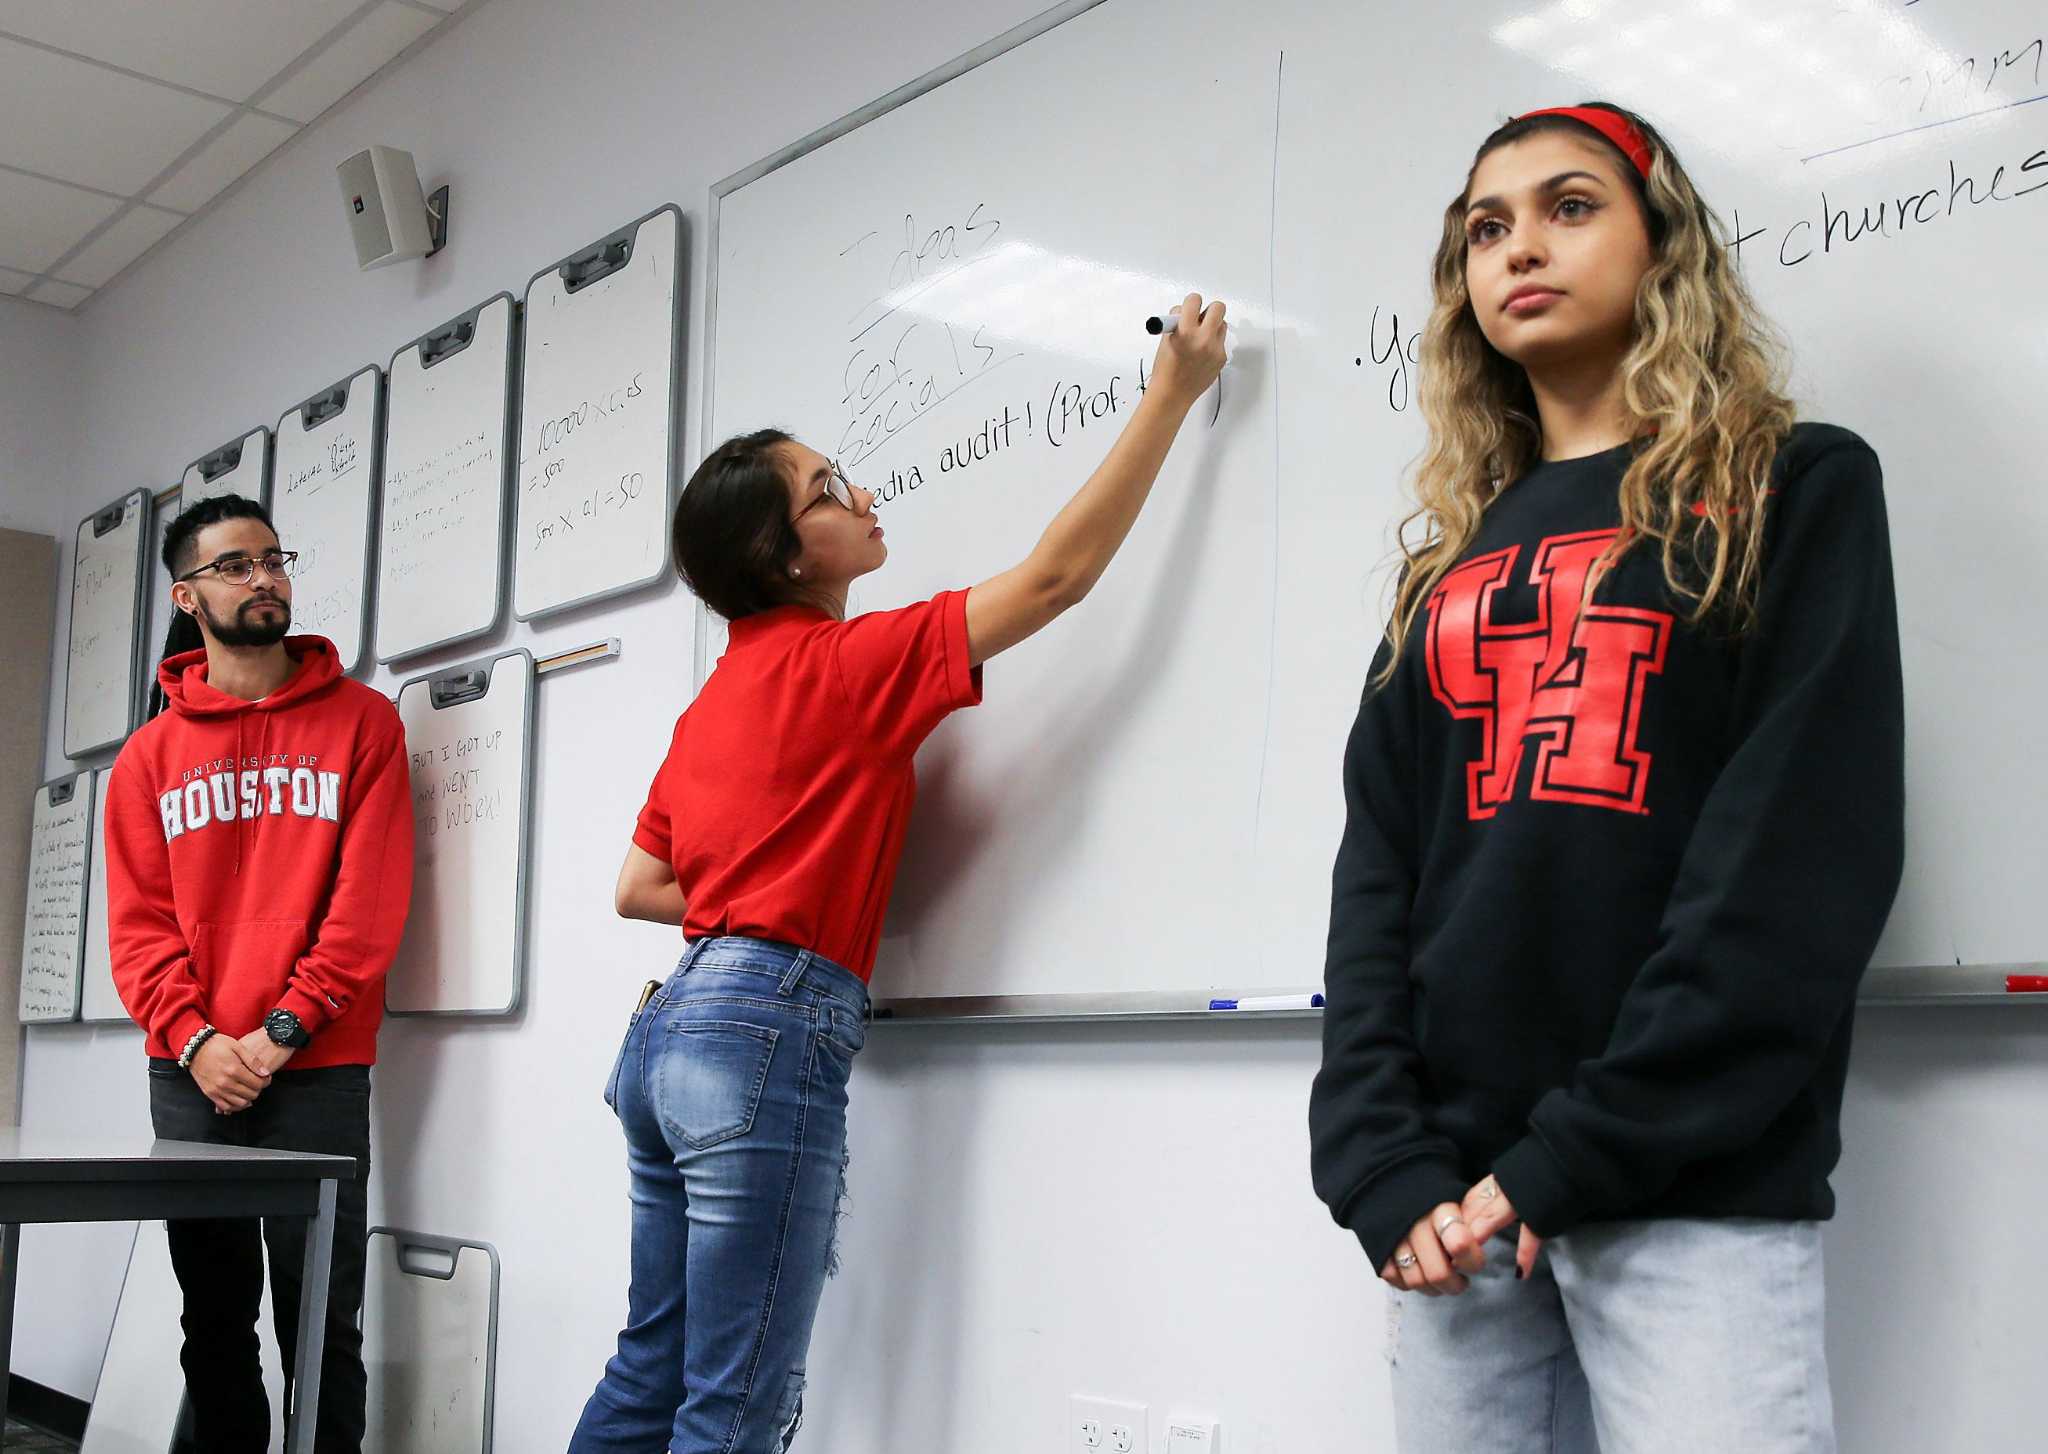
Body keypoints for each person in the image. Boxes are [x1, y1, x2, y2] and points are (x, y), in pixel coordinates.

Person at [1307, 104, 1904, 1453]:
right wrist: (1384, 1163)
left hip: (1686, 1181)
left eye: (1570, 206)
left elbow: (1802, 857)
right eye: (1486, 227)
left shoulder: (1793, 486)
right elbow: (1378, 877)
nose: (1521, 245)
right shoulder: (1443, 569)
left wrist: (1572, 1152)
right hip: (1450, 1212)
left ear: (1662, 243)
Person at [568, 296, 1228, 1451]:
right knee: (733, 1404)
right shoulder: (852, 661)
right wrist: (1169, 391)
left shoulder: (712, 700)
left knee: (650, 1369)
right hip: (758, 1032)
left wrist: (765, 890)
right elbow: (1055, 580)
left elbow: (639, 883)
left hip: (668, 1031)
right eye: (829, 491)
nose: (863, 497)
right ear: (783, 555)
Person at [105, 492, 414, 1454]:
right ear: (187, 596)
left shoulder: (364, 724)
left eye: (273, 559)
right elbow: (138, 928)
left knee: (324, 1322)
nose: (264, 577)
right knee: (215, 1323)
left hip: (315, 1070)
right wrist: (198, 1043)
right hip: (190, 1075)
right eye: (236, 565)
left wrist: (277, 1036)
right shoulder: (147, 759)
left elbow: (364, 912)